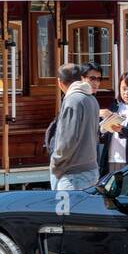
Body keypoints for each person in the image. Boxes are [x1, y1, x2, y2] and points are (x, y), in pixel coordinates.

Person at [47, 63, 100, 191]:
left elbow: (67, 141)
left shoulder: (73, 100)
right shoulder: (91, 99)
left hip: (72, 174)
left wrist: (55, 161)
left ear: (60, 82)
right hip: (90, 169)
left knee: (65, 211)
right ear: (80, 78)